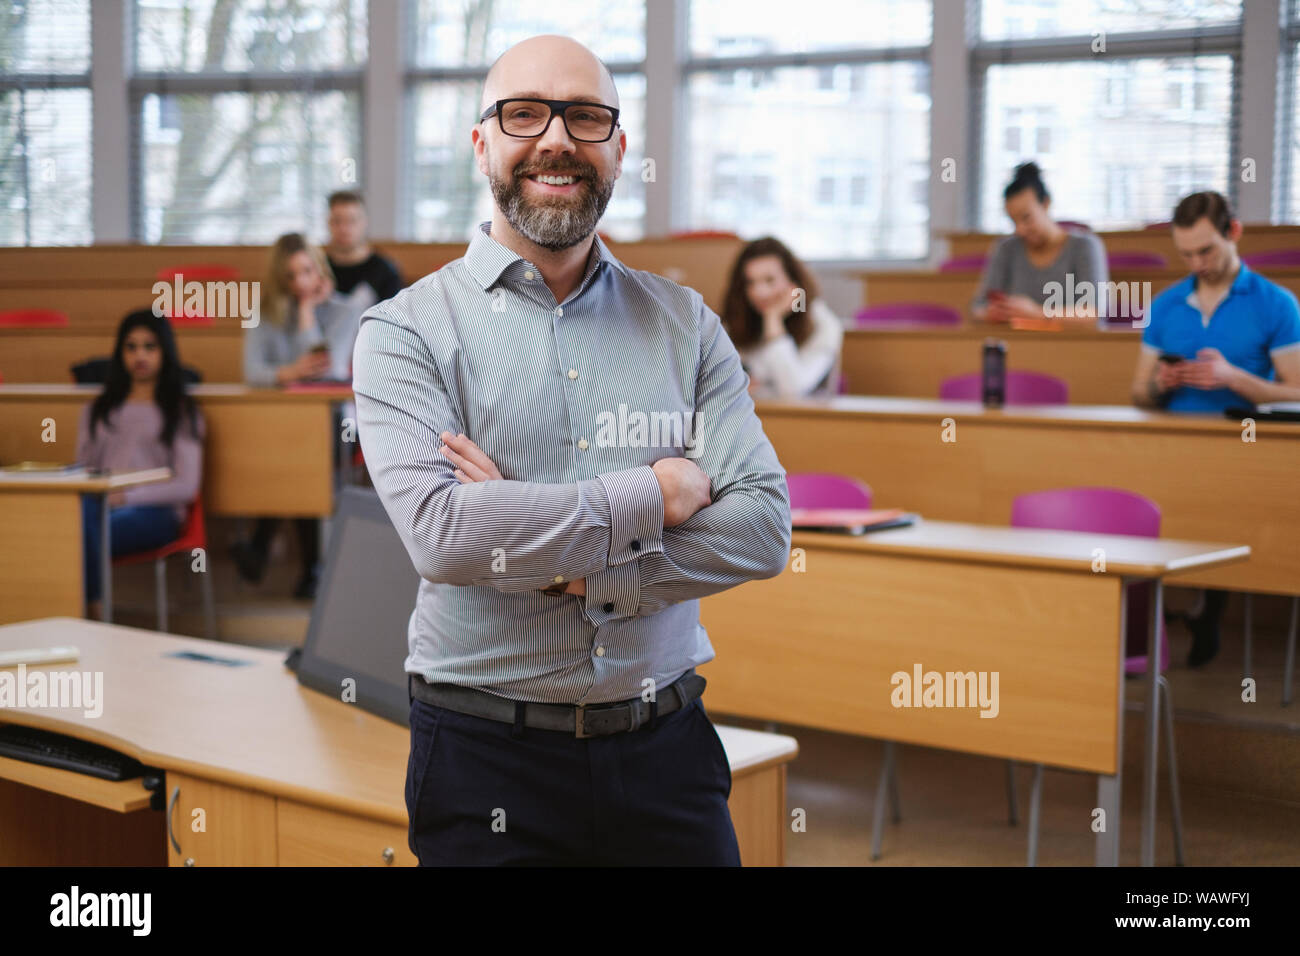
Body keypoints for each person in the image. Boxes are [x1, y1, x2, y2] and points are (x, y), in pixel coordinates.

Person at [352, 34, 791, 866]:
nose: (557, 139)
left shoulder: (687, 325)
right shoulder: (404, 332)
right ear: (482, 143)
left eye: (586, 117)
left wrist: (571, 567)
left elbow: (764, 530)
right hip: (486, 761)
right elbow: (445, 539)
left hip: (668, 752)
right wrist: (652, 495)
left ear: (619, 149)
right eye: (525, 114)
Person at [1131, 190, 1300, 667]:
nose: (1197, 263)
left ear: (1234, 233)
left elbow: (1298, 390)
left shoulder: (1276, 304)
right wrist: (1160, 384)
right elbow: (1137, 394)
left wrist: (1236, 379)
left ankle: (1206, 607)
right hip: (1172, 451)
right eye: (1186, 254)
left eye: (1207, 250)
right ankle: (1163, 615)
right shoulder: (1166, 306)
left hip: (1246, 454)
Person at [232, 232, 359, 600]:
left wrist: (306, 314)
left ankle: (264, 546)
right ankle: (309, 569)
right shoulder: (264, 312)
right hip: (279, 422)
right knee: (290, 448)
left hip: (335, 422)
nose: (301, 282)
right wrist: (290, 372)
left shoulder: (344, 310)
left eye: (307, 271)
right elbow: (251, 372)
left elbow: (326, 369)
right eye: (291, 276)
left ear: (319, 270)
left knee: (300, 451)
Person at [76, 310, 205, 621]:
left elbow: (186, 486)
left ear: (165, 351)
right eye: (131, 347)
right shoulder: (97, 409)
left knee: (82, 531)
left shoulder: (182, 411)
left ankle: (93, 613)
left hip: (156, 513)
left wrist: (127, 496)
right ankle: (92, 610)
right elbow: (82, 472)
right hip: (100, 506)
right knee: (76, 521)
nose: (140, 355)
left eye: (150, 346)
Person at [972, 161, 1110, 324]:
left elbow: (1094, 314)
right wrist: (990, 313)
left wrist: (1038, 313)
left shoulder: (1084, 246)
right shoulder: (1006, 249)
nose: (1020, 230)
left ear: (1045, 203)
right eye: (1013, 221)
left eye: (1026, 217)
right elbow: (978, 307)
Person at [721, 236, 844, 399]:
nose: (760, 293)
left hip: (805, 421)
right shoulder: (740, 319)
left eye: (769, 280)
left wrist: (773, 320)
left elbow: (792, 391)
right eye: (750, 282)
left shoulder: (824, 325)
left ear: (794, 281)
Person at [324, 190, 404, 306]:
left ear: (364, 223)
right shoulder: (318, 270)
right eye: (337, 221)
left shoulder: (385, 272)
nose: (344, 229)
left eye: (351, 221)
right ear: (328, 223)